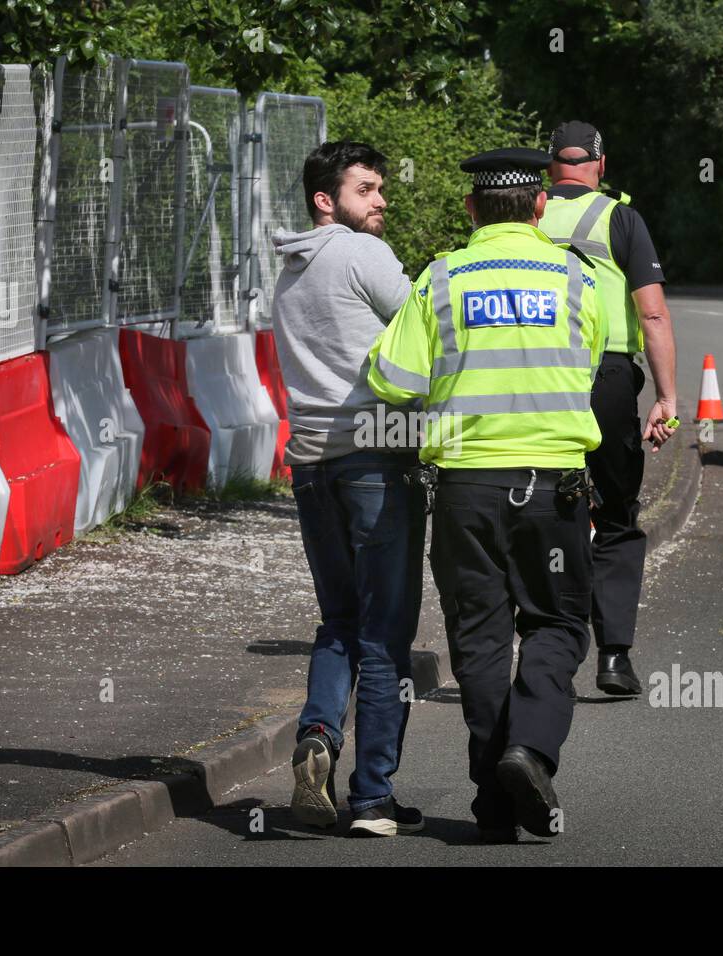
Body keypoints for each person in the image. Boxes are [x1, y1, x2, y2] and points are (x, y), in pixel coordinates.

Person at [367, 147, 606, 843]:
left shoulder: (441, 278)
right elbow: (586, 362)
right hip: (555, 486)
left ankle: (494, 805)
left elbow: (394, 380)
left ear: (471, 209)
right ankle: (528, 751)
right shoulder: (576, 277)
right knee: (558, 624)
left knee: (479, 638)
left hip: (469, 487)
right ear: (539, 207)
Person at [270, 141, 426, 837]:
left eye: (381, 187)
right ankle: (372, 799)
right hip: (375, 460)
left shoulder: (291, 271)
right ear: (325, 200)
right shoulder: (361, 254)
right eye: (367, 188)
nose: (382, 199)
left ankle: (317, 739)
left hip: (310, 465)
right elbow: (427, 327)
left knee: (338, 620)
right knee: (386, 633)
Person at [537, 120, 678, 696]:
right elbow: (652, 315)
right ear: (600, 164)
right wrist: (667, 397)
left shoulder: (527, 213)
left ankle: (549, 657)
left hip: (540, 376)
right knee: (616, 517)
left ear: (551, 167)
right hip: (609, 381)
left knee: (548, 513)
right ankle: (614, 658)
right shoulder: (621, 217)